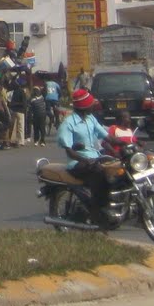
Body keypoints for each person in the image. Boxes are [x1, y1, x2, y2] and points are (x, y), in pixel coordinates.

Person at [57, 89, 111, 220]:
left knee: (115, 169)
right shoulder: (68, 124)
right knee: (98, 172)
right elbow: (69, 150)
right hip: (77, 163)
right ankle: (97, 209)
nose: (94, 105)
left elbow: (107, 136)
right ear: (85, 106)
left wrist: (127, 144)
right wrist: (85, 160)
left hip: (95, 158)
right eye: (92, 103)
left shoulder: (91, 119)